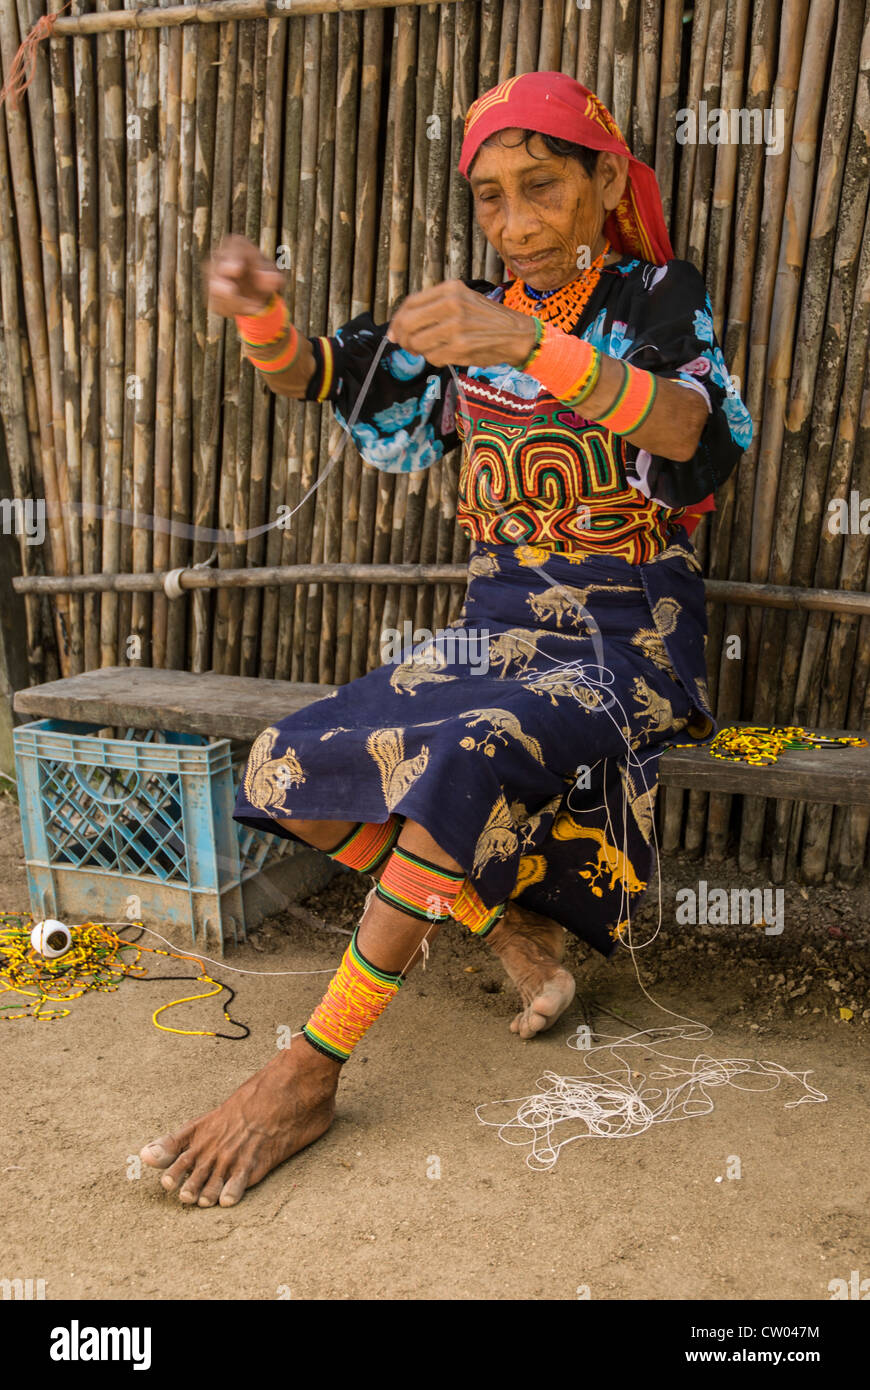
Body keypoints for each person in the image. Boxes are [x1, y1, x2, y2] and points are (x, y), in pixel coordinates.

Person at [140, 72, 752, 1208]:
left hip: (628, 643)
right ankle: (508, 929)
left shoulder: (659, 295)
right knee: (283, 761)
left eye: (541, 188)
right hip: (491, 636)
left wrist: (526, 340)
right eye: (489, 198)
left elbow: (692, 429)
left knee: (457, 755)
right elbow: (331, 375)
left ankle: (307, 1068)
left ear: (606, 182)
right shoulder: (465, 314)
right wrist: (261, 318)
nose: (514, 224)